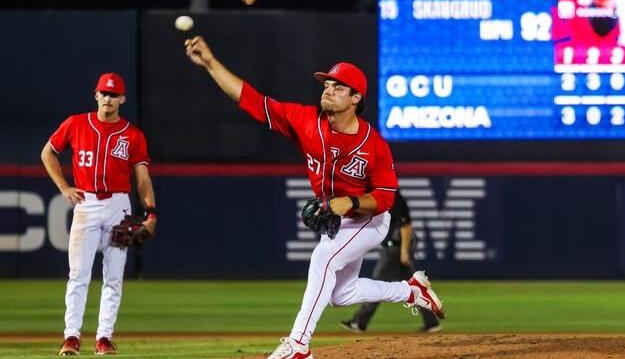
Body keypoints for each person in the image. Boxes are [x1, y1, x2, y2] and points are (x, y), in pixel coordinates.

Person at [183, 36, 444, 359]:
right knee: (342, 294)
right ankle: (411, 290)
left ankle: (299, 345)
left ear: (356, 98)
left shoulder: (373, 144)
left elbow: (386, 198)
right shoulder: (305, 121)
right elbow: (251, 99)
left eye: (338, 87)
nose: (328, 90)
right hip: (338, 220)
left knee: (323, 259)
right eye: (327, 84)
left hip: (370, 219)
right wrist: (210, 63)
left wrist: (352, 202)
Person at [41, 72, 158, 356]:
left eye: (113, 95)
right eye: (104, 93)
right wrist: (64, 186)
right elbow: (48, 153)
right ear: (96, 95)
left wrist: (151, 212)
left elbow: (142, 177)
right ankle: (71, 337)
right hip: (87, 204)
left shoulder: (133, 135)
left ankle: (104, 337)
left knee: (114, 276)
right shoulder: (76, 124)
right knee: (78, 274)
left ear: (122, 99)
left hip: (119, 207)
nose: (108, 99)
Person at [340, 190, 441, 334]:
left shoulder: (395, 198)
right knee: (414, 287)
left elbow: (406, 226)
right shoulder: (386, 197)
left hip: (395, 250)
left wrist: (404, 252)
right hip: (395, 249)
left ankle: (359, 322)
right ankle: (432, 322)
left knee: (377, 284)